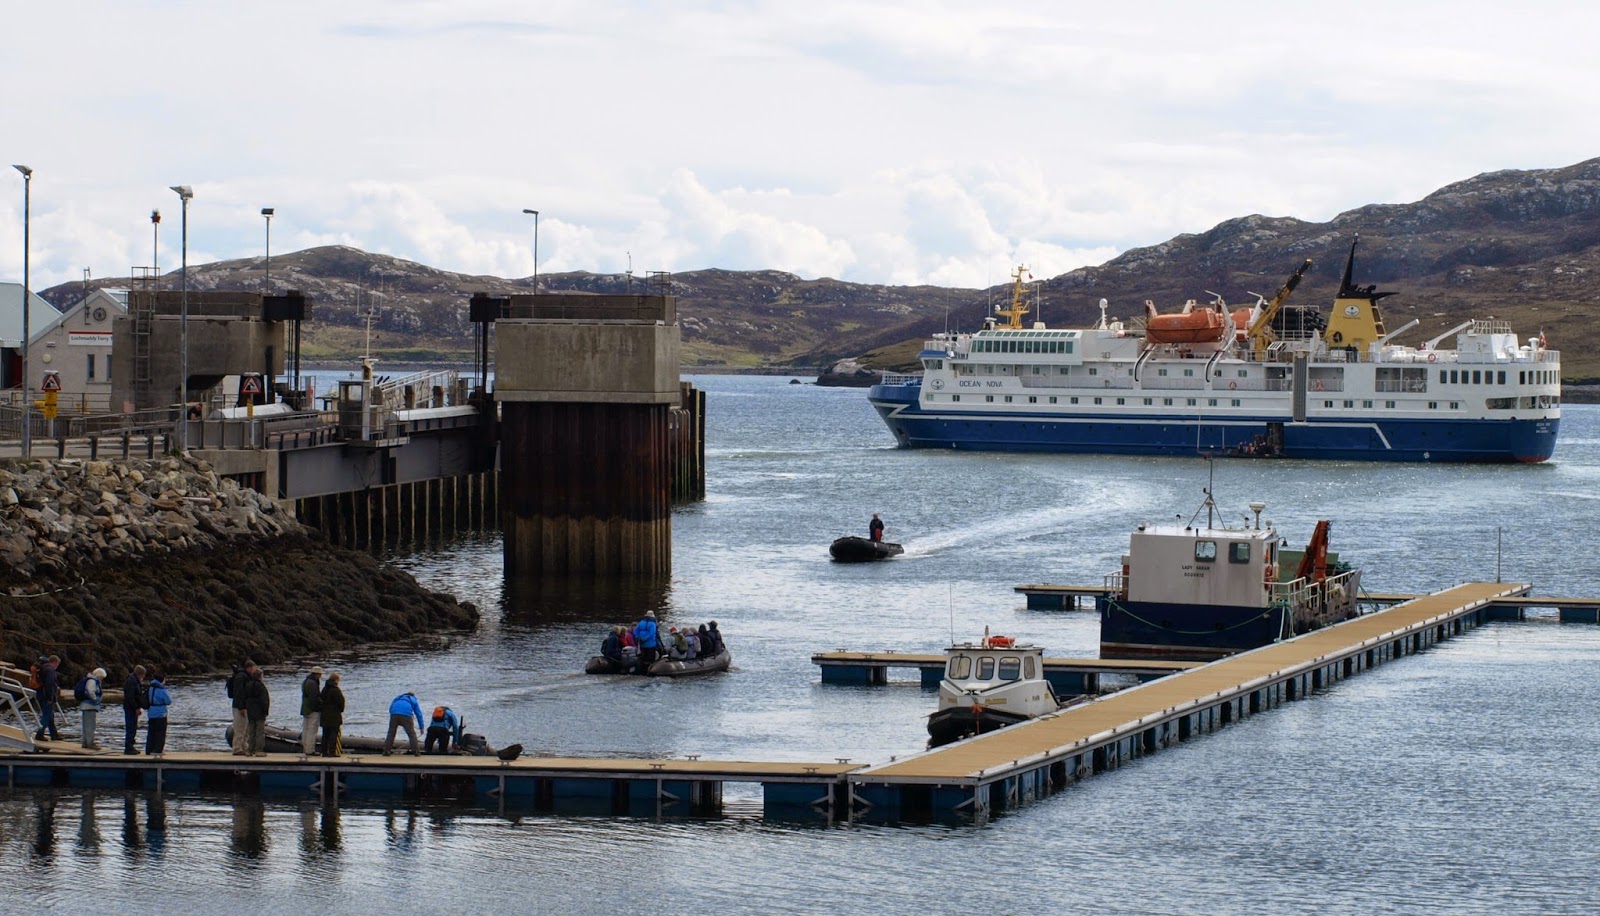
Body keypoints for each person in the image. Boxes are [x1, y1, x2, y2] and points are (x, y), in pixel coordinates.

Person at [227, 660, 255, 756]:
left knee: (245, 729)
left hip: (245, 705)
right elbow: (239, 693)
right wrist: (241, 707)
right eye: (253, 668)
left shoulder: (245, 676)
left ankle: (243, 747)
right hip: (240, 707)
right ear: (249, 667)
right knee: (240, 728)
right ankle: (237, 748)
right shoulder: (241, 677)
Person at [384, 691, 425, 756]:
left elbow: (390, 709)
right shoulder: (413, 699)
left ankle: (386, 751)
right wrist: (421, 727)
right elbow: (418, 714)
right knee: (411, 734)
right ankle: (416, 752)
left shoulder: (398, 698)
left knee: (391, 733)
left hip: (394, 714)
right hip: (406, 715)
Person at [243, 666, 271, 757]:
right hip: (259, 712)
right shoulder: (261, 686)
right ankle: (259, 750)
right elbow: (265, 700)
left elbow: (245, 698)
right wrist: (265, 711)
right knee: (260, 732)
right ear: (260, 676)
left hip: (250, 711)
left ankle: (249, 750)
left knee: (251, 732)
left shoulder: (248, 685)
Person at [34, 655, 62, 742]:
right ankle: (40, 734)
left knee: (50, 715)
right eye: (57, 664)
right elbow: (49, 684)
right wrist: (50, 697)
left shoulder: (43, 668)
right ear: (54, 662)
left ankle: (54, 734)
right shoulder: (50, 670)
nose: (57, 667)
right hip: (46, 696)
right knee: (47, 715)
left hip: (41, 695)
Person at [145, 674, 172, 755]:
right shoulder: (162, 689)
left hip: (151, 712)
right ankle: (157, 750)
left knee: (151, 732)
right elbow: (168, 701)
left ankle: (149, 749)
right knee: (160, 732)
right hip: (160, 713)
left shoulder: (150, 687)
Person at [122, 665, 147, 755]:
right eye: (143, 675)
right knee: (131, 727)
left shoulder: (134, 681)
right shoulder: (132, 682)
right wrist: (136, 707)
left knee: (133, 727)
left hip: (131, 707)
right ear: (139, 674)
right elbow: (130, 697)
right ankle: (128, 747)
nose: (143, 677)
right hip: (130, 708)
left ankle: (130, 745)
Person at [79, 667, 105, 749]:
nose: (102, 679)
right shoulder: (92, 681)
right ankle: (90, 743)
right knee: (90, 725)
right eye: (102, 677)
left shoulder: (90, 680)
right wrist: (96, 699)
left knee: (86, 725)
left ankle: (85, 742)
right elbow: (91, 691)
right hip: (90, 706)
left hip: (86, 706)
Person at [320, 671, 344, 757]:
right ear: (336, 680)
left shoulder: (324, 689)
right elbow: (341, 703)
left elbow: (320, 701)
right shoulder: (336, 690)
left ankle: (324, 752)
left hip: (324, 715)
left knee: (325, 734)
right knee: (333, 734)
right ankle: (332, 752)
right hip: (334, 716)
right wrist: (340, 710)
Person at [300, 667, 323, 755]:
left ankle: (305, 748)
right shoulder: (313, 684)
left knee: (305, 729)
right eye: (320, 674)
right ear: (317, 674)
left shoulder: (305, 681)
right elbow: (314, 698)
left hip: (305, 709)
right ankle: (310, 750)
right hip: (312, 710)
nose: (320, 676)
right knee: (312, 730)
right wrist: (319, 707)